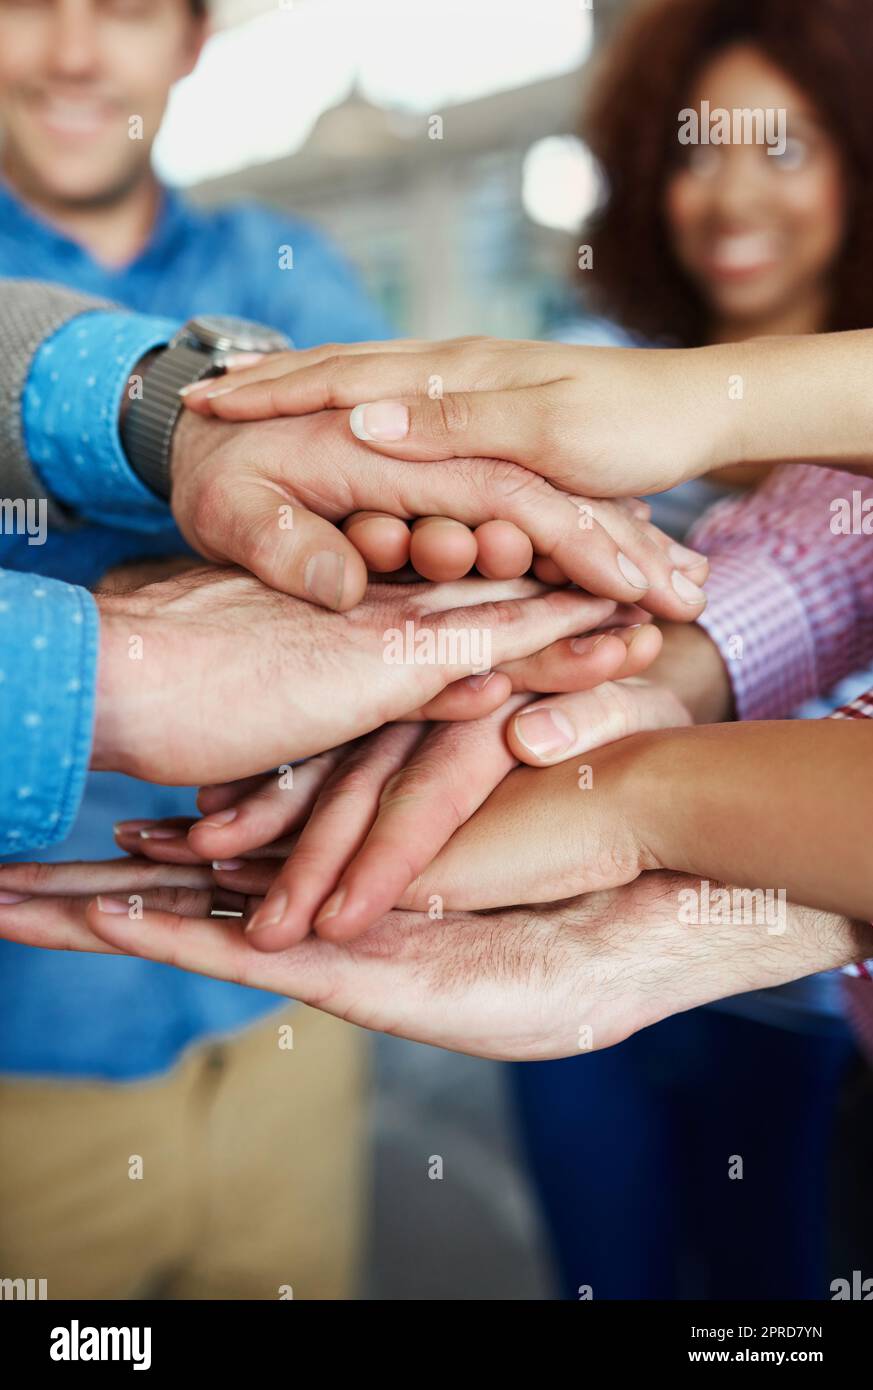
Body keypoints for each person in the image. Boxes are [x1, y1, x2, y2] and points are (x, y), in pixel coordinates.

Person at [0, 0, 699, 1298]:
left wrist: (478, 610)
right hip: (23, 1060)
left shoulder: (291, 265)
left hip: (289, 1016)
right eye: (33, 2)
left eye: (128, 9)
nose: (78, 51)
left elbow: (401, 499)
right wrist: (132, 646)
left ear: (193, 40)